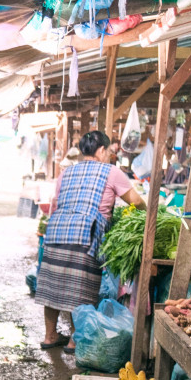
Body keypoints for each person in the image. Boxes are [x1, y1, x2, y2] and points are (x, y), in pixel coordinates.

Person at [36, 131, 145, 353]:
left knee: (53, 286)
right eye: (110, 151)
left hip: (57, 230)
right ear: (102, 150)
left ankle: (50, 336)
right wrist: (144, 211)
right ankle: (75, 340)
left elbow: (56, 202)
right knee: (81, 288)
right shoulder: (111, 172)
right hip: (85, 233)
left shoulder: (66, 172)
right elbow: (135, 200)